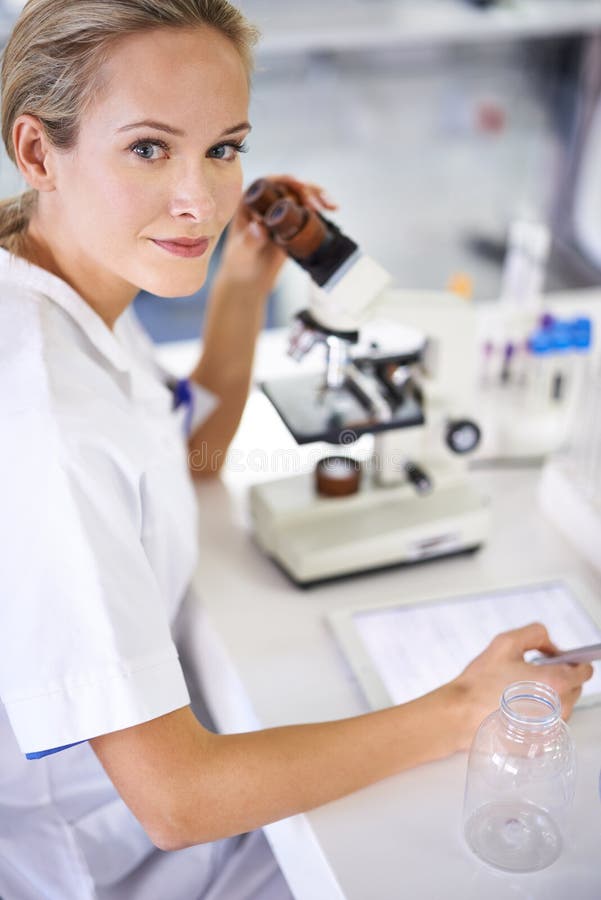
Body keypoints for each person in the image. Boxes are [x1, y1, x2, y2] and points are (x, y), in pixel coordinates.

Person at [0, 2, 593, 898]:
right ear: (39, 152)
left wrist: (238, 287)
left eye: (224, 147)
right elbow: (176, 801)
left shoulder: (65, 288)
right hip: (109, 856)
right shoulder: (40, 413)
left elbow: (190, 455)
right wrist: (463, 710)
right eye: (150, 149)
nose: (201, 198)